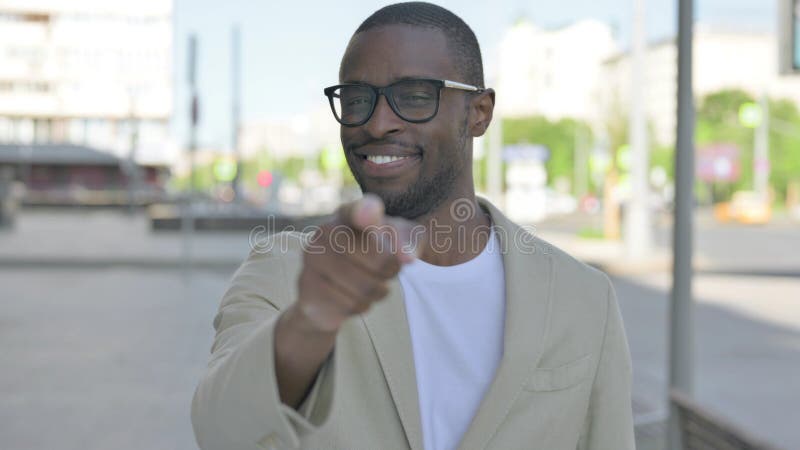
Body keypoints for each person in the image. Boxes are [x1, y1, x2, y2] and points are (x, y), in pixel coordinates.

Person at [191, 2, 634, 449]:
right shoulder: (288, 270)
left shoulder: (583, 298)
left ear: (479, 112)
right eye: (356, 99)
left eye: (415, 96)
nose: (378, 123)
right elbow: (220, 430)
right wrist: (310, 320)